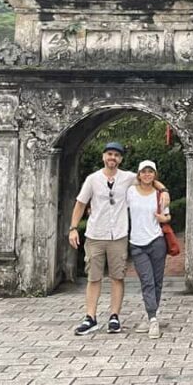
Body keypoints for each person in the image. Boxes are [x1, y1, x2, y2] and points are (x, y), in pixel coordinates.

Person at [68, 141, 134, 336]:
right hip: (95, 234)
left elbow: (149, 179)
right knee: (93, 277)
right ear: (103, 156)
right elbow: (80, 204)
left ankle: (114, 316)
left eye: (116, 155)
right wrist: (73, 228)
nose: (112, 158)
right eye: (109, 154)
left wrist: (163, 191)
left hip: (118, 234)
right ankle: (90, 317)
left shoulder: (128, 178)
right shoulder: (93, 179)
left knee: (117, 276)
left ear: (120, 159)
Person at [127, 159, 171, 338]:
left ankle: (149, 315)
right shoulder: (130, 192)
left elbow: (167, 216)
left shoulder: (160, 195)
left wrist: (163, 218)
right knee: (147, 280)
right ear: (138, 174)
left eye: (150, 171)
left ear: (155, 174)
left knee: (157, 281)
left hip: (156, 241)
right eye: (144, 171)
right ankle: (153, 318)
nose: (147, 174)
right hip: (137, 243)